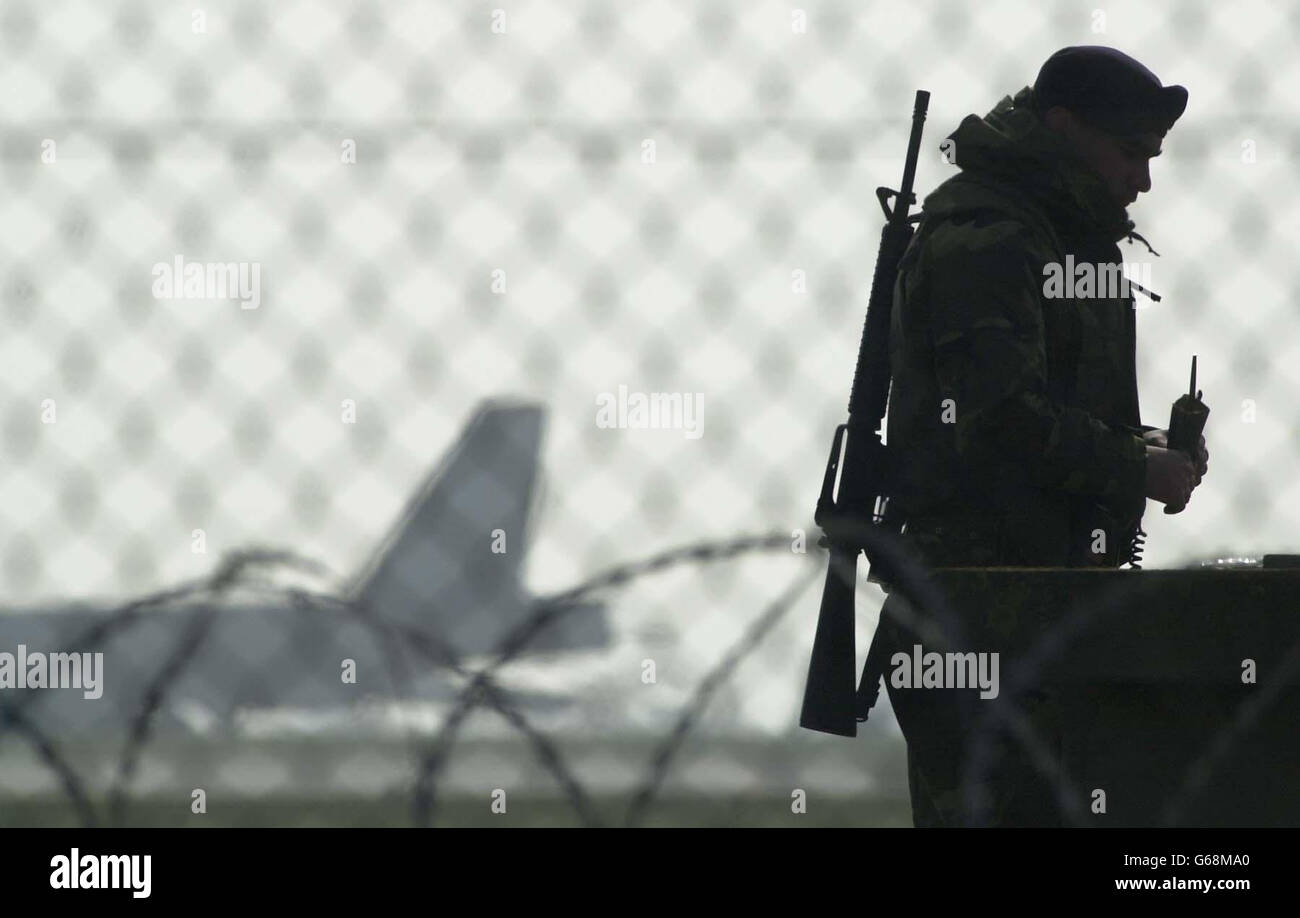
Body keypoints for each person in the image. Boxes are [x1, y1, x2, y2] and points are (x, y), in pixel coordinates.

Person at [875, 46, 1209, 825]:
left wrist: (1150, 451)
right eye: (1129, 153)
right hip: (981, 611)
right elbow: (994, 421)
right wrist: (1134, 467)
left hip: (1046, 608)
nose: (1144, 179)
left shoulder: (1061, 237)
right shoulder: (990, 236)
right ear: (1063, 128)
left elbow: (1047, 411)